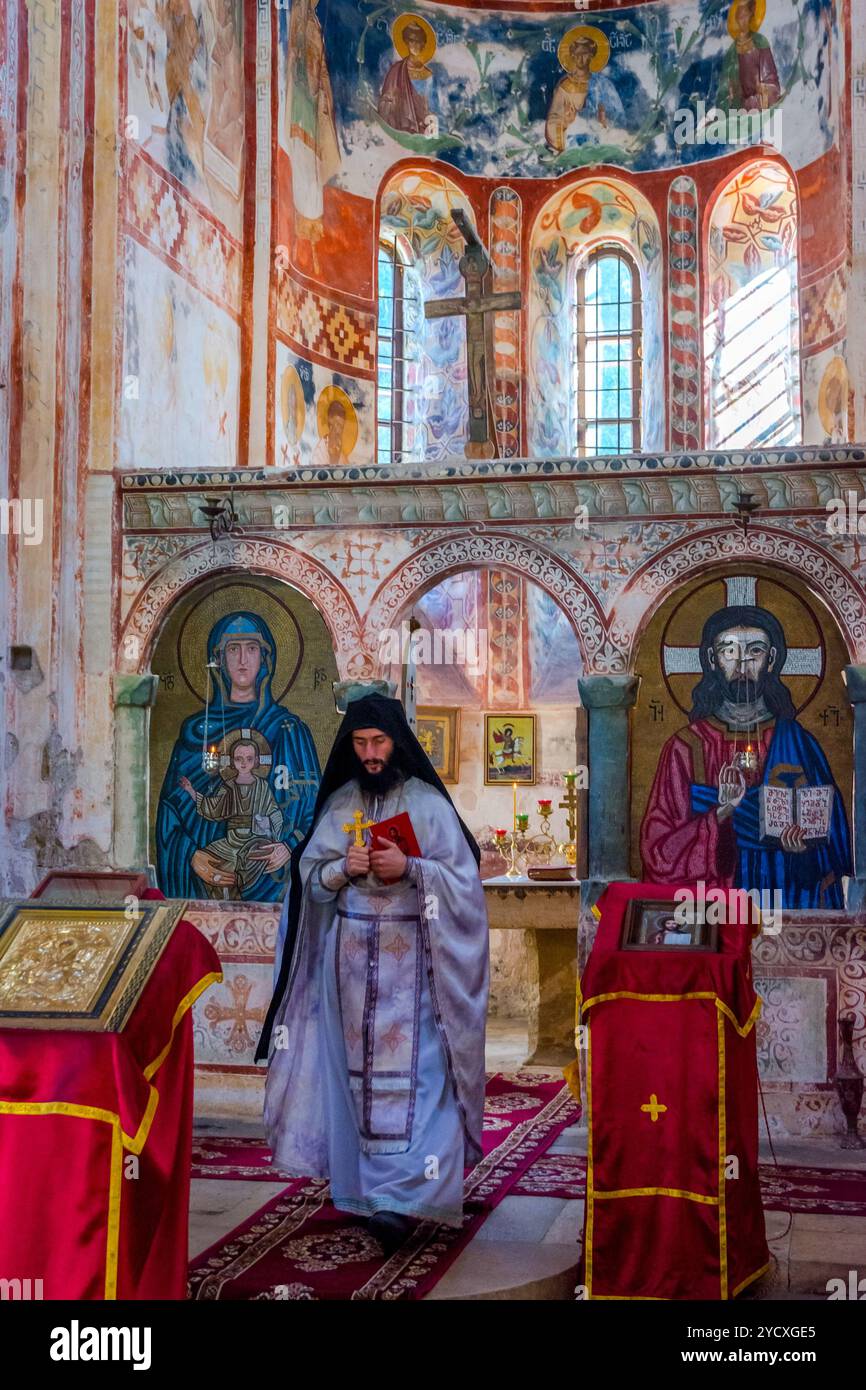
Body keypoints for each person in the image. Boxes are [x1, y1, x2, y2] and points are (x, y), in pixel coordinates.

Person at [257, 689, 489, 1253]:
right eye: (360, 743)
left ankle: (408, 1196)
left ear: (398, 741)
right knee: (356, 1084)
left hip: (420, 972)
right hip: (351, 972)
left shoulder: (429, 805)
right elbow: (309, 882)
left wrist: (411, 868)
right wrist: (341, 869)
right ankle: (365, 1193)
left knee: (423, 1080)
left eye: (379, 741)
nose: (369, 753)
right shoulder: (339, 806)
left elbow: (464, 885)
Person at [640, 605, 851, 909]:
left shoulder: (799, 744)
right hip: (713, 906)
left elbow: (837, 844)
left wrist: (804, 850)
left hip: (786, 900)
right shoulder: (685, 748)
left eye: (755, 651)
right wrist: (723, 811)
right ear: (712, 659)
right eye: (729, 651)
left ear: (772, 658)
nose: (742, 663)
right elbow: (658, 851)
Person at [156, 611, 320, 900]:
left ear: (265, 659)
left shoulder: (289, 730)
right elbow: (171, 812)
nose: (243, 660)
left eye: (252, 648)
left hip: (273, 878)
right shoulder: (197, 732)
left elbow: (314, 805)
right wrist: (193, 857)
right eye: (233, 649)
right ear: (218, 658)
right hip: (208, 874)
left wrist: (290, 846)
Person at [179, 735, 284, 897]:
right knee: (203, 859)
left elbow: (274, 811)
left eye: (249, 758)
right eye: (239, 758)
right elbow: (213, 807)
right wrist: (191, 791)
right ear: (233, 761)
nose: (244, 763)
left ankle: (239, 882)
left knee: (256, 858)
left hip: (255, 840)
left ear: (256, 761)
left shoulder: (262, 786)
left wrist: (269, 823)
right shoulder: (228, 786)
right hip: (231, 840)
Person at [377, 20, 439, 137]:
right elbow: (385, 100)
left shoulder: (429, 76)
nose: (415, 45)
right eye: (411, 41)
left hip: (422, 131)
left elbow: (434, 109)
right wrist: (393, 102)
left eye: (418, 41)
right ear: (406, 42)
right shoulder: (396, 70)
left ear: (424, 44)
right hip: (399, 127)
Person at [719, 0, 782, 113]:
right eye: (739, 16)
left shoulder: (760, 42)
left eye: (744, 16)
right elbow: (724, 90)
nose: (741, 20)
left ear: (751, 15)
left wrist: (765, 89)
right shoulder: (731, 53)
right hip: (739, 107)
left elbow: (771, 79)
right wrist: (730, 95)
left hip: (759, 101)